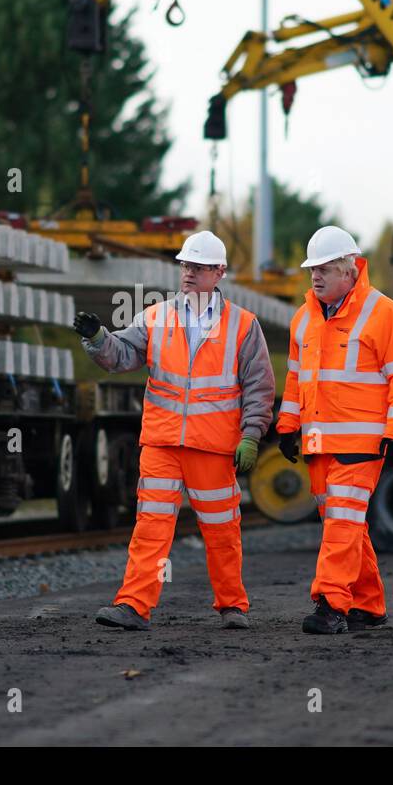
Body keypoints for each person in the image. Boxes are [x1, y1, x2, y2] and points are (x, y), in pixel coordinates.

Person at [72, 230, 275, 631]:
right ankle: (132, 605)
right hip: (163, 443)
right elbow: (121, 356)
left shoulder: (243, 326)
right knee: (150, 526)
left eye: (198, 267)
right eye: (185, 266)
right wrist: (97, 338)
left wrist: (252, 434)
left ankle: (232, 605)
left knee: (221, 531)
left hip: (213, 448)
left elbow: (260, 386)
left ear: (219, 272)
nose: (188, 273)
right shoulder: (155, 315)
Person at [276, 226, 393, 635]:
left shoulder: (384, 313)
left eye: (324, 269)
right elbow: (294, 378)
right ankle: (370, 605)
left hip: (362, 442)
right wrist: (288, 425)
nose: (316, 277)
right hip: (320, 442)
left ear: (350, 269)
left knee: (341, 520)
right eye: (312, 270)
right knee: (343, 523)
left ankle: (331, 603)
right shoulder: (304, 319)